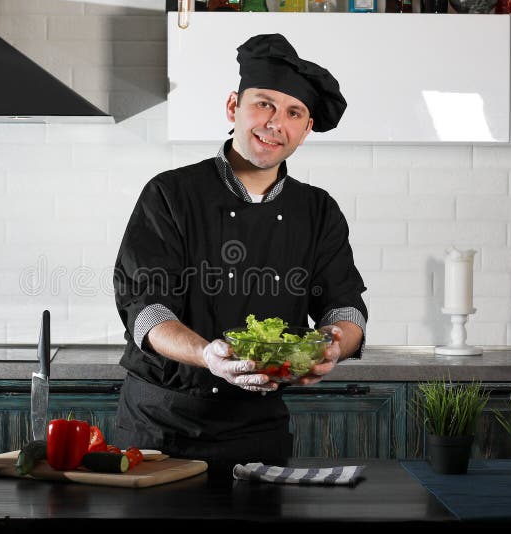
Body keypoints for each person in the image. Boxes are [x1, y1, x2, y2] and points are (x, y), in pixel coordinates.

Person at [112, 33, 368, 467]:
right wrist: (207, 355)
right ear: (234, 106)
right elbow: (146, 308)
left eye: (293, 113)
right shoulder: (170, 194)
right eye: (263, 103)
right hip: (160, 432)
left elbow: (345, 307)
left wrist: (332, 345)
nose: (275, 123)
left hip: (258, 432)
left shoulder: (318, 210)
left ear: (305, 130)